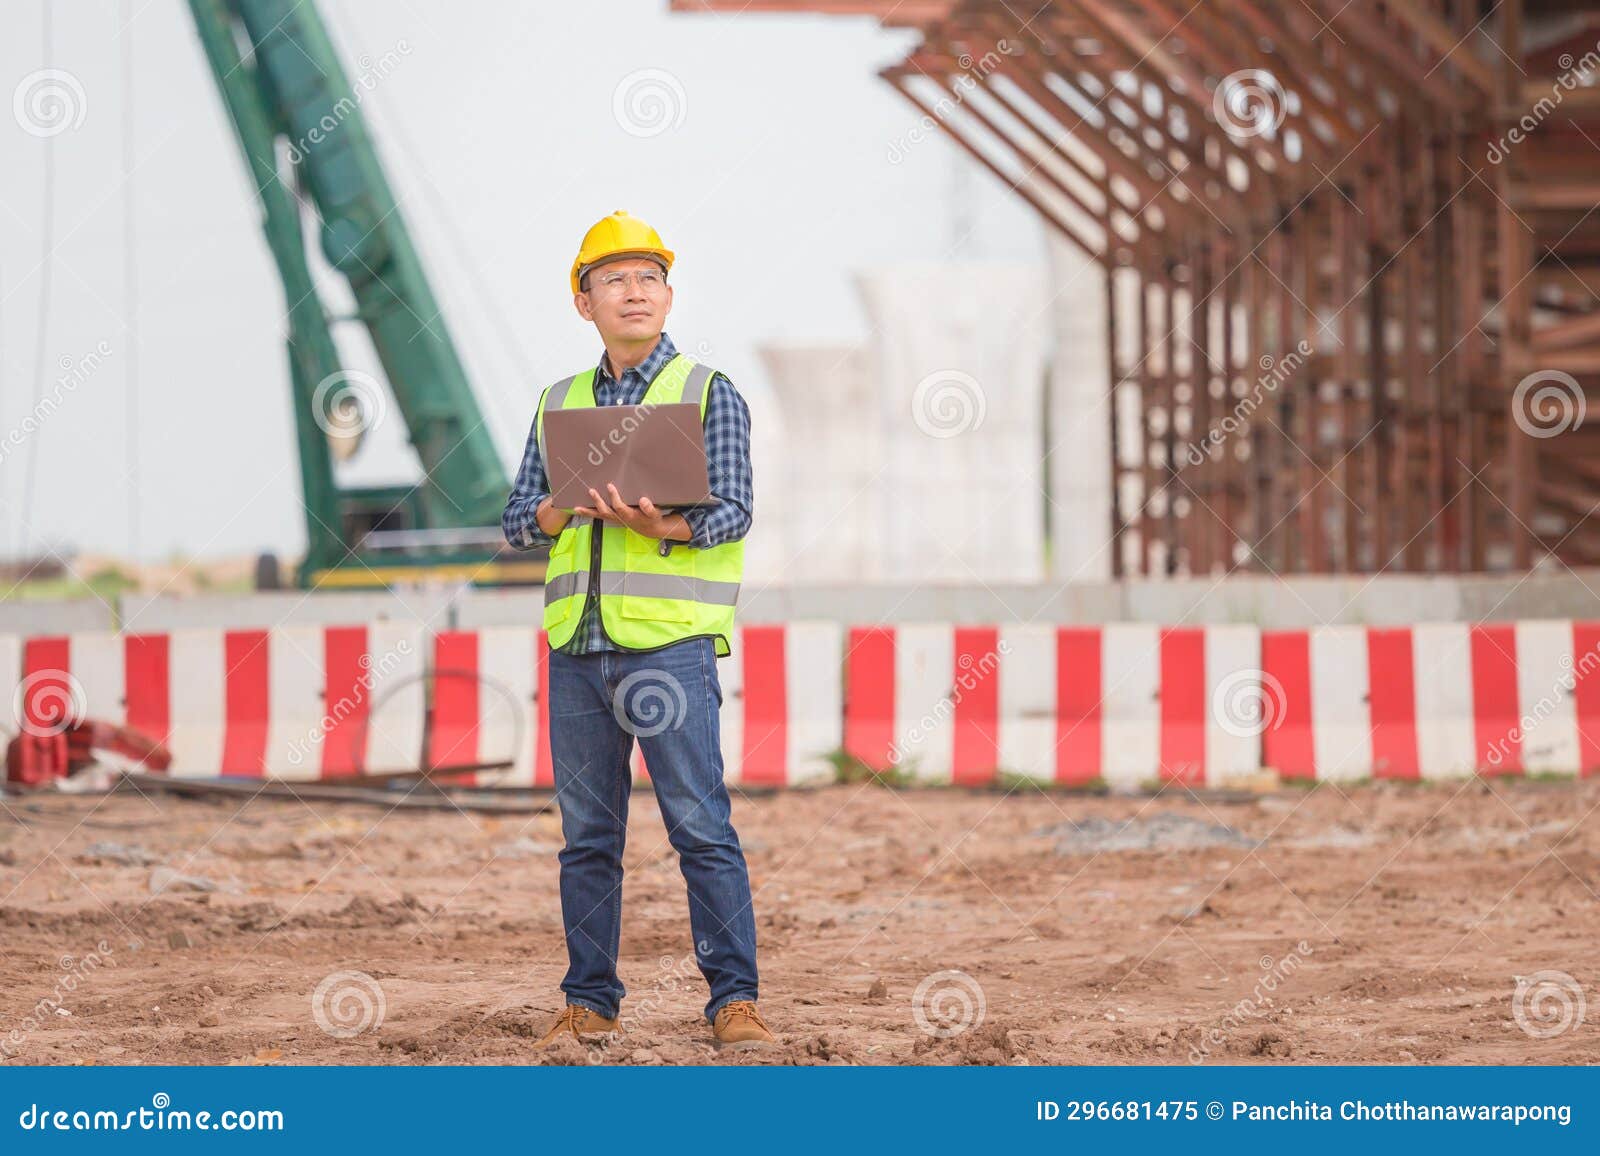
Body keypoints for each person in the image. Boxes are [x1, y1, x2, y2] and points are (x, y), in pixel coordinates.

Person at [501, 210, 773, 1050]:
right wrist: (560, 506)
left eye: (648, 277)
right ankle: (590, 1001)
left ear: (667, 294)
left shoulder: (704, 392)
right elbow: (517, 522)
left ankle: (735, 1002)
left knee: (699, 826)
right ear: (584, 303)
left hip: (666, 647)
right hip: (579, 649)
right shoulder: (560, 403)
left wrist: (667, 530)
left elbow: (734, 511)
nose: (635, 292)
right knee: (587, 840)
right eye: (614, 279)